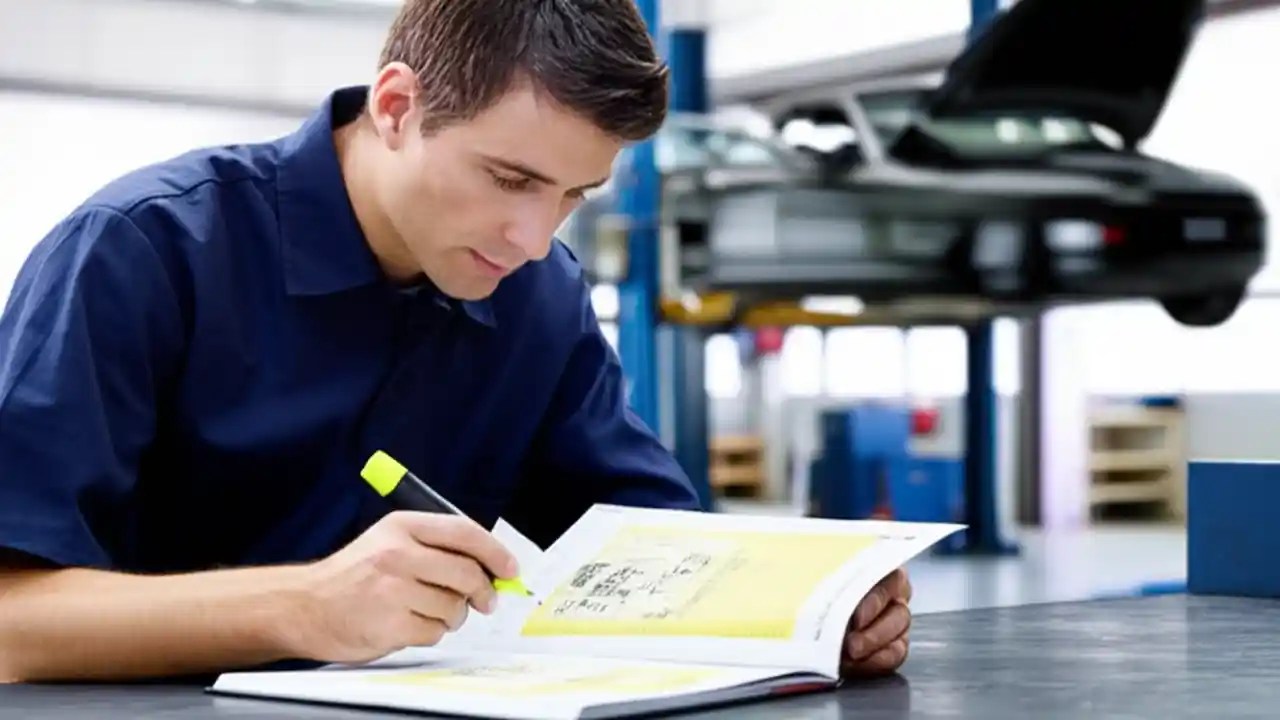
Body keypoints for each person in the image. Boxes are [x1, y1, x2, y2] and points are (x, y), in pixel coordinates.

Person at [0, 0, 912, 684]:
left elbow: (651, 556)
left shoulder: (539, 299)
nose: (534, 238)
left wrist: (811, 608)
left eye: (572, 195)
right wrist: (305, 607)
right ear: (398, 106)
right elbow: (11, 624)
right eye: (510, 178)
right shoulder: (142, 252)